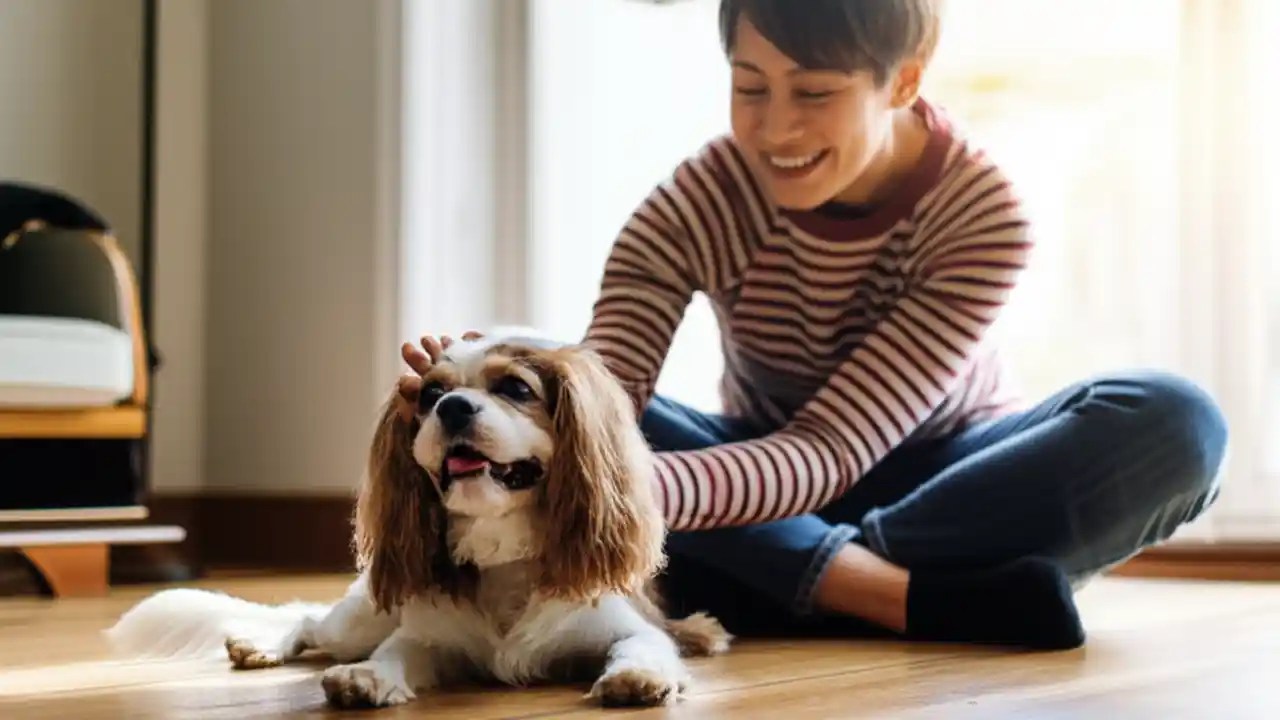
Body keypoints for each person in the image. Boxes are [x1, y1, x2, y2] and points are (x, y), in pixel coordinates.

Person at [396, 0, 1227, 650]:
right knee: (539, 363)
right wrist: (477, 399)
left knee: (1176, 421)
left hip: (945, 486)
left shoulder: (981, 212)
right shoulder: (696, 202)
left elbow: (830, 453)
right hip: (759, 472)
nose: (774, 128)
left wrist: (604, 491)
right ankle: (896, 598)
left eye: (816, 93)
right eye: (749, 86)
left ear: (903, 81)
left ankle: (795, 581)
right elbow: (603, 404)